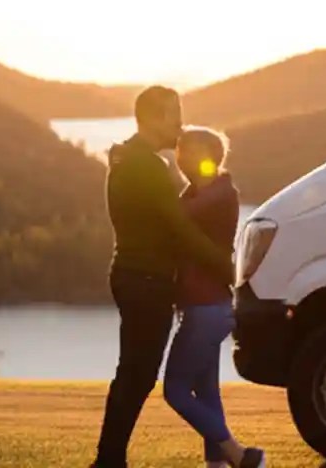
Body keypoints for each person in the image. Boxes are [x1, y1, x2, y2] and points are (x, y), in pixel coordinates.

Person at [92, 86, 236, 468]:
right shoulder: (146, 166)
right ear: (153, 119)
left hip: (132, 276)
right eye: (174, 114)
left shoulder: (127, 159)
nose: (180, 122)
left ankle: (110, 458)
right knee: (137, 375)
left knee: (133, 372)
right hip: (146, 281)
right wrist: (229, 268)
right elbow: (178, 229)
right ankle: (108, 460)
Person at [163, 127, 266, 468]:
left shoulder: (220, 192)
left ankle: (241, 455)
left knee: (175, 390)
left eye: (186, 150)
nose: (179, 157)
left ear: (206, 157)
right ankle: (216, 464)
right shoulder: (195, 193)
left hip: (207, 310)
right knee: (207, 392)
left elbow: (174, 218)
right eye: (178, 150)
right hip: (206, 307)